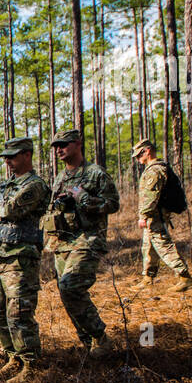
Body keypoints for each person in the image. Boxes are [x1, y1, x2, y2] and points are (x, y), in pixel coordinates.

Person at [0, 138, 51, 383]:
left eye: (12, 156)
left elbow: (10, 209)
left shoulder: (35, 185)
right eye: (5, 157)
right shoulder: (6, 184)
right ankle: (13, 357)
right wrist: (0, 207)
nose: (7, 161)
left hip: (21, 256)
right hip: (0, 255)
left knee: (19, 311)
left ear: (27, 155)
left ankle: (31, 365)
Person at [45, 129, 121, 358]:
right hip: (62, 243)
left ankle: (101, 337)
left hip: (87, 240)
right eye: (56, 146)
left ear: (78, 144)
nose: (59, 149)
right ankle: (88, 344)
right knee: (66, 295)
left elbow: (113, 204)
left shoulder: (95, 173)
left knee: (71, 287)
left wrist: (84, 199)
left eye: (64, 144)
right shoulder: (60, 178)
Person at [133, 139, 192, 293]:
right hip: (153, 215)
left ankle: (184, 277)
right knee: (149, 246)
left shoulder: (155, 170)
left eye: (139, 155)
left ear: (147, 151)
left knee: (163, 245)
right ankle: (148, 278)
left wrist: (143, 215)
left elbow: (150, 196)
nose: (138, 159)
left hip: (155, 215)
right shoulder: (155, 168)